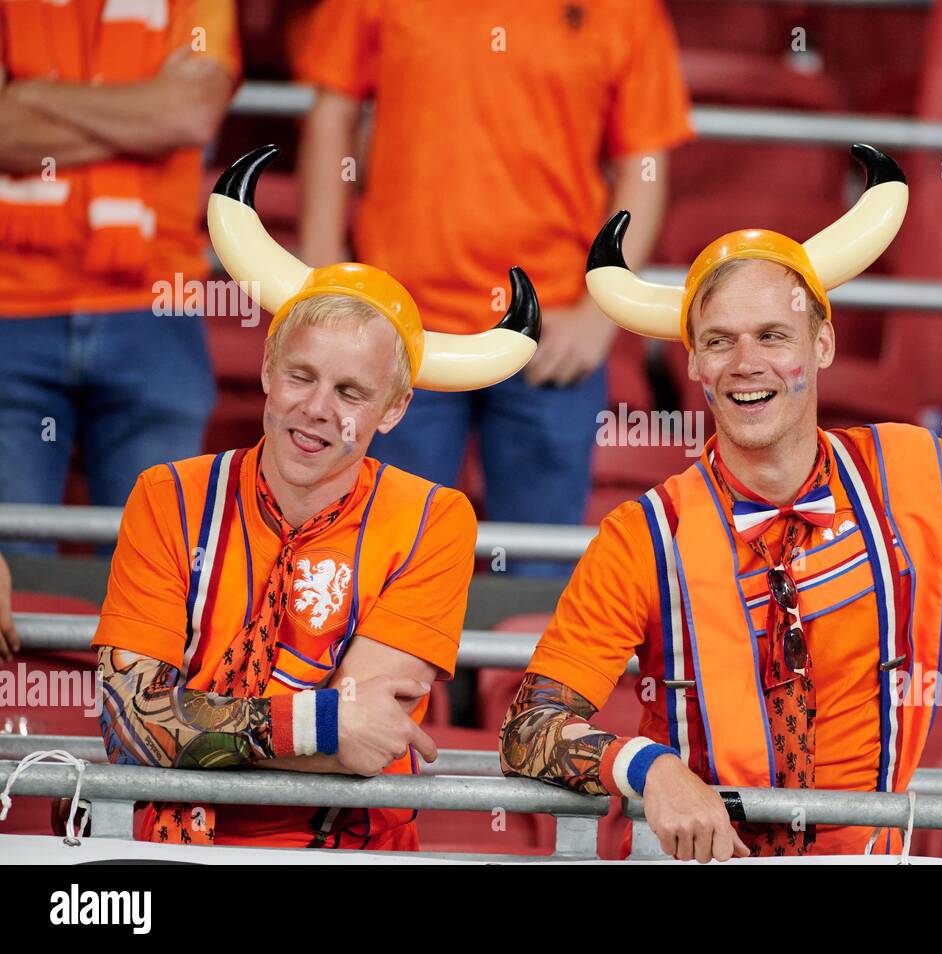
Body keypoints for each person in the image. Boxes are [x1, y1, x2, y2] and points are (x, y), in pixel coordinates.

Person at [500, 144, 942, 861]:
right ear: (694, 366)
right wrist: (649, 768)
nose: (747, 363)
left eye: (773, 336)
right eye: (720, 342)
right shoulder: (645, 534)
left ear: (823, 343)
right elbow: (526, 730)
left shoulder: (916, 471)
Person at [92, 146, 540, 849]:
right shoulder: (167, 495)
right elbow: (129, 725)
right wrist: (319, 723)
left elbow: (363, 753)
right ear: (267, 370)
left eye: (351, 392)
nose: (317, 410)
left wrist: (198, 719)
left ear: (392, 411)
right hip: (164, 845)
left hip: (347, 851)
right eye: (301, 376)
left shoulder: (434, 520)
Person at [294, 0, 692, 572]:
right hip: (401, 327)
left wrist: (599, 316)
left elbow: (644, 165)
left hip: (552, 330)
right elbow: (332, 113)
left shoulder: (627, 10)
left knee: (538, 574)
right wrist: (327, 281)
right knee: (378, 564)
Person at [0, 0, 240, 553]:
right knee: (12, 580)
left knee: (157, 572)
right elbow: (166, 117)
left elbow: (188, 114)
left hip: (155, 305)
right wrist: (139, 121)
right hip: (13, 306)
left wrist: (30, 94)